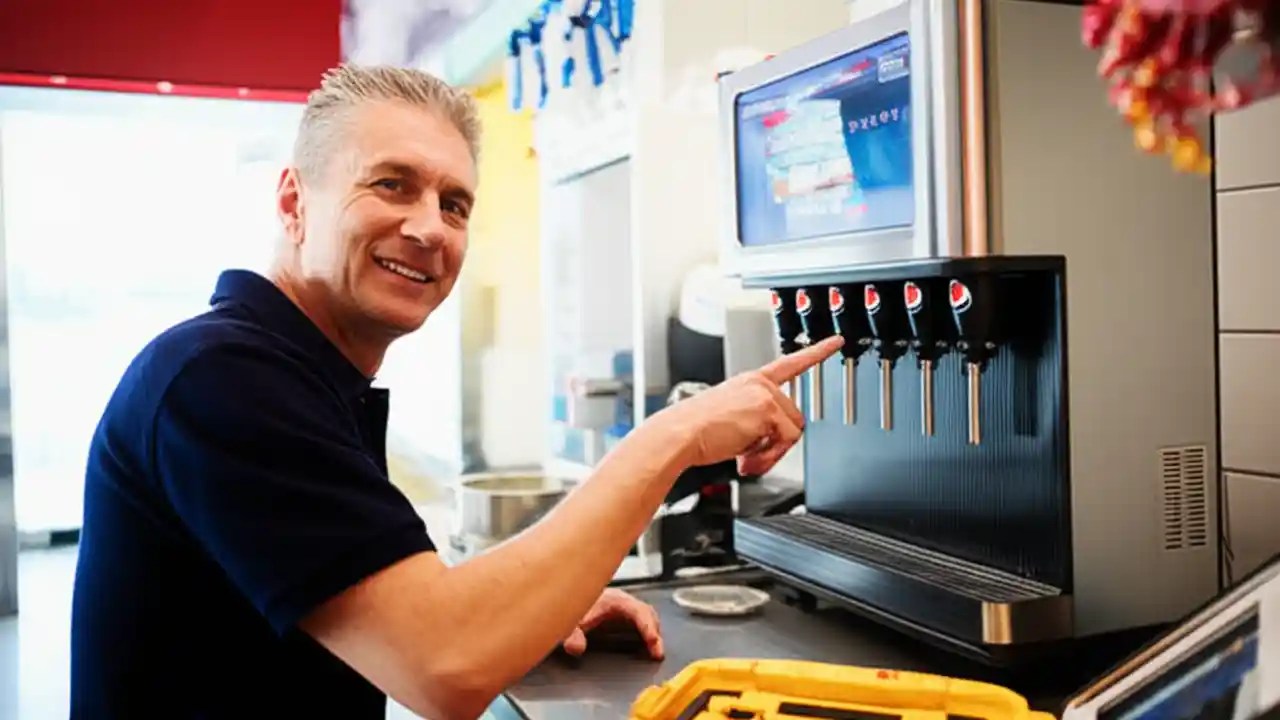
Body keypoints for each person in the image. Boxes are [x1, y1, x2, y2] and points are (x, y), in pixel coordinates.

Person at [69, 64, 842, 720]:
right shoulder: (223, 377)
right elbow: (444, 664)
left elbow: (394, 619)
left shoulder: (297, 375)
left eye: (455, 203)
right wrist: (673, 436)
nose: (430, 228)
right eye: (391, 185)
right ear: (292, 202)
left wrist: (526, 614)